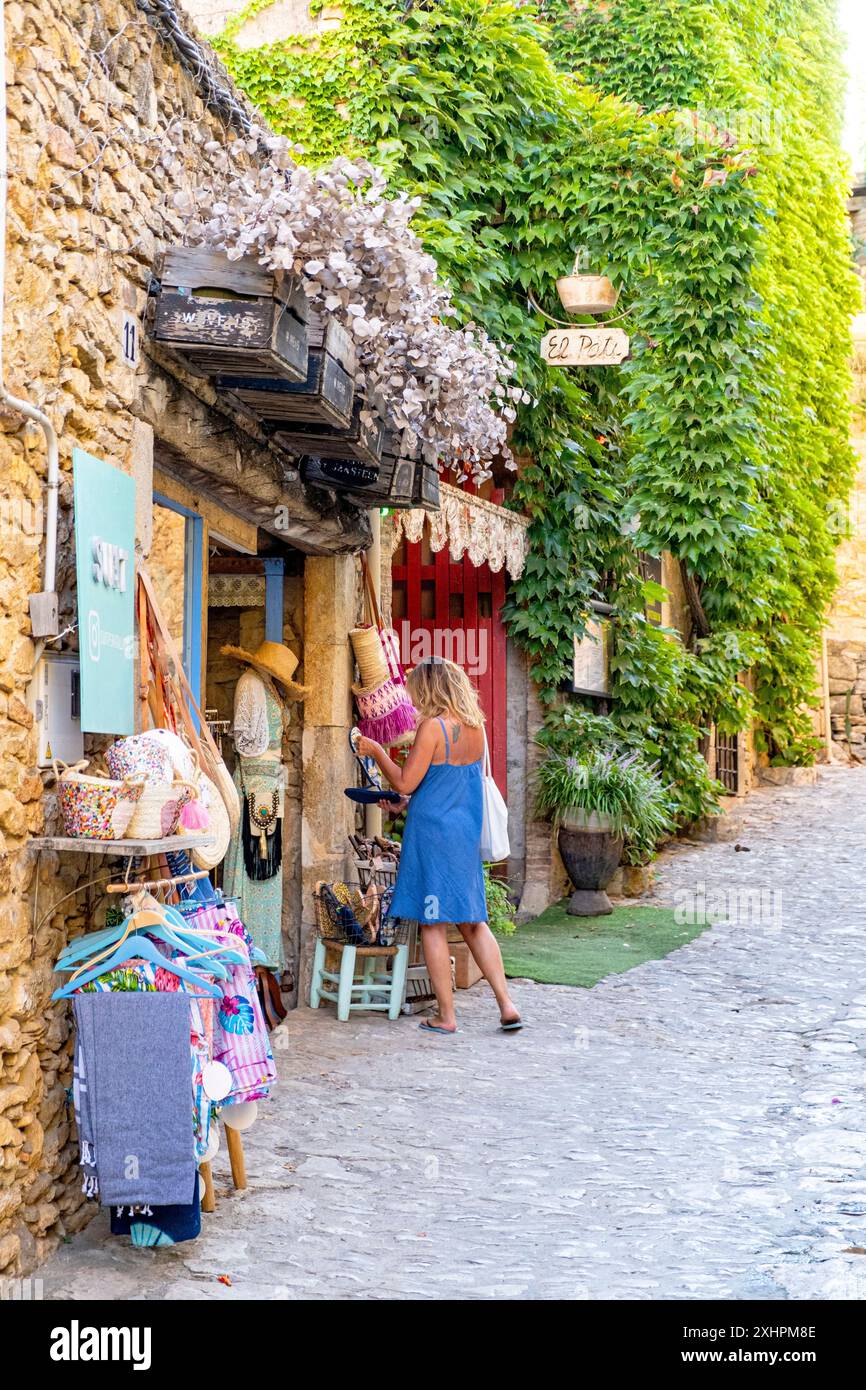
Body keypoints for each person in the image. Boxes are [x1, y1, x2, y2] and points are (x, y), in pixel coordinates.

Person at [356, 655, 522, 1034]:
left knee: (432, 924)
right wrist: (405, 803)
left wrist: (376, 751)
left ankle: (447, 1016)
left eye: (416, 691)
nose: (412, 700)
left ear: (430, 688)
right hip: (464, 834)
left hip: (431, 836)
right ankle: (507, 1003)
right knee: (473, 923)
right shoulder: (476, 728)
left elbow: (405, 782)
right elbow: (445, 785)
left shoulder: (433, 727)